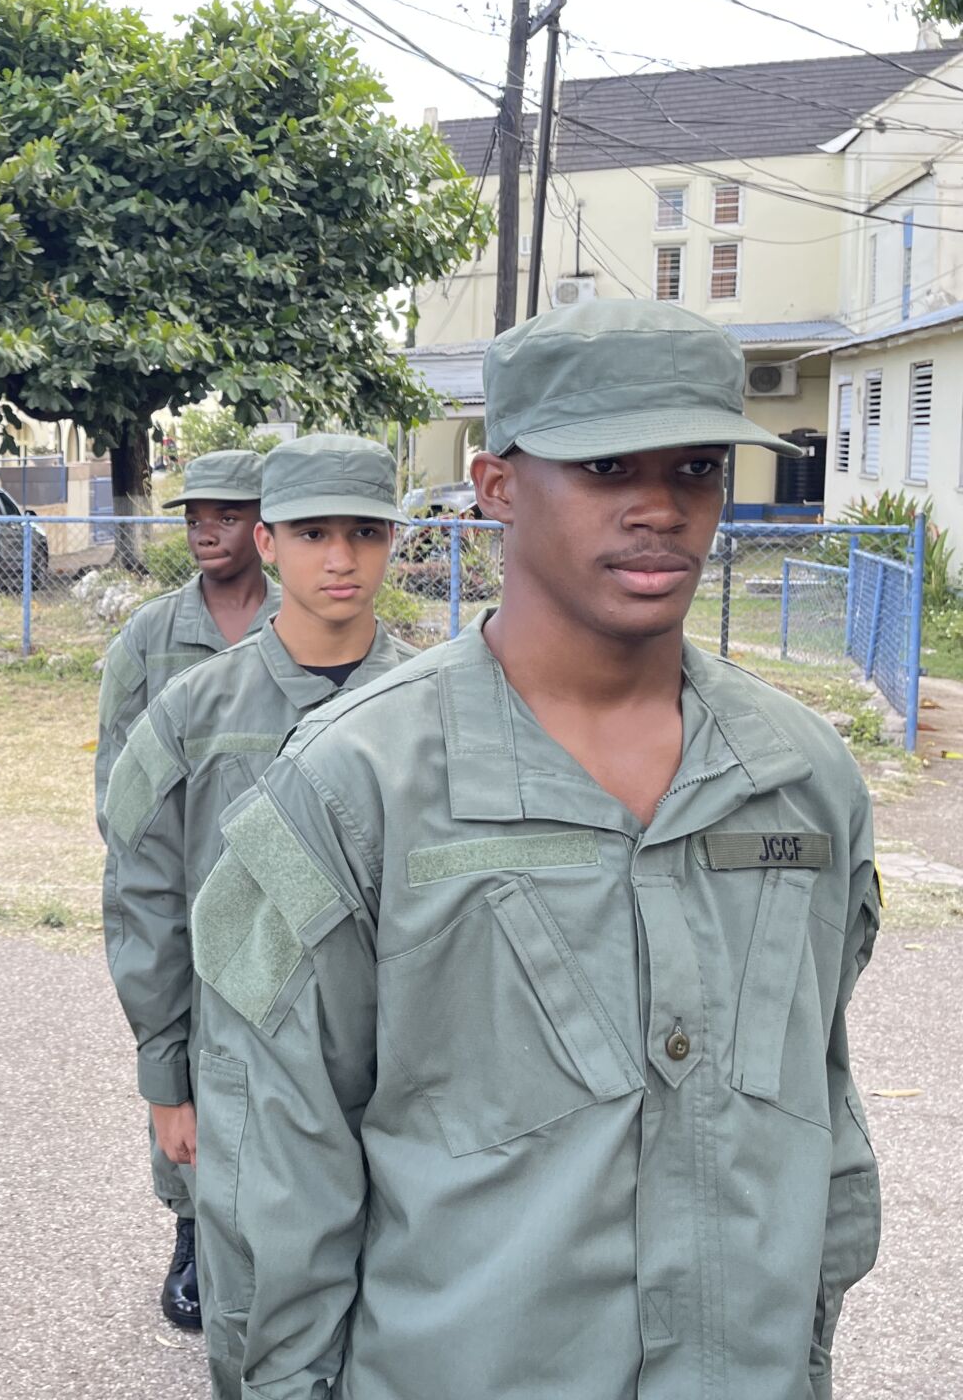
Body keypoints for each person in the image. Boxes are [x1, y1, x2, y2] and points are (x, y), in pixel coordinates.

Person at [193, 299, 882, 1399]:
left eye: (696, 466)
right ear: (497, 484)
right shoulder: (344, 787)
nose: (660, 508)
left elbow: (818, 1097)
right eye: (605, 465)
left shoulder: (801, 778)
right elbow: (272, 1168)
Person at [101, 434, 414, 1332]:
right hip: (240, 1055)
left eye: (365, 532)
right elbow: (143, 890)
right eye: (313, 533)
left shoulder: (438, 709)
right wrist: (165, 1075)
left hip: (404, 1054)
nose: (342, 558)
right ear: (270, 543)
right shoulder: (194, 710)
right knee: (251, 1328)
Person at [94, 447, 277, 1323]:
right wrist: (147, 879)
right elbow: (118, 784)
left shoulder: (305, 619)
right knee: (184, 1055)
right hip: (190, 892)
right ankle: (193, 1227)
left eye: (228, 513)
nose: (206, 528)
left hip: (292, 896)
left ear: (266, 525)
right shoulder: (150, 638)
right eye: (194, 513)